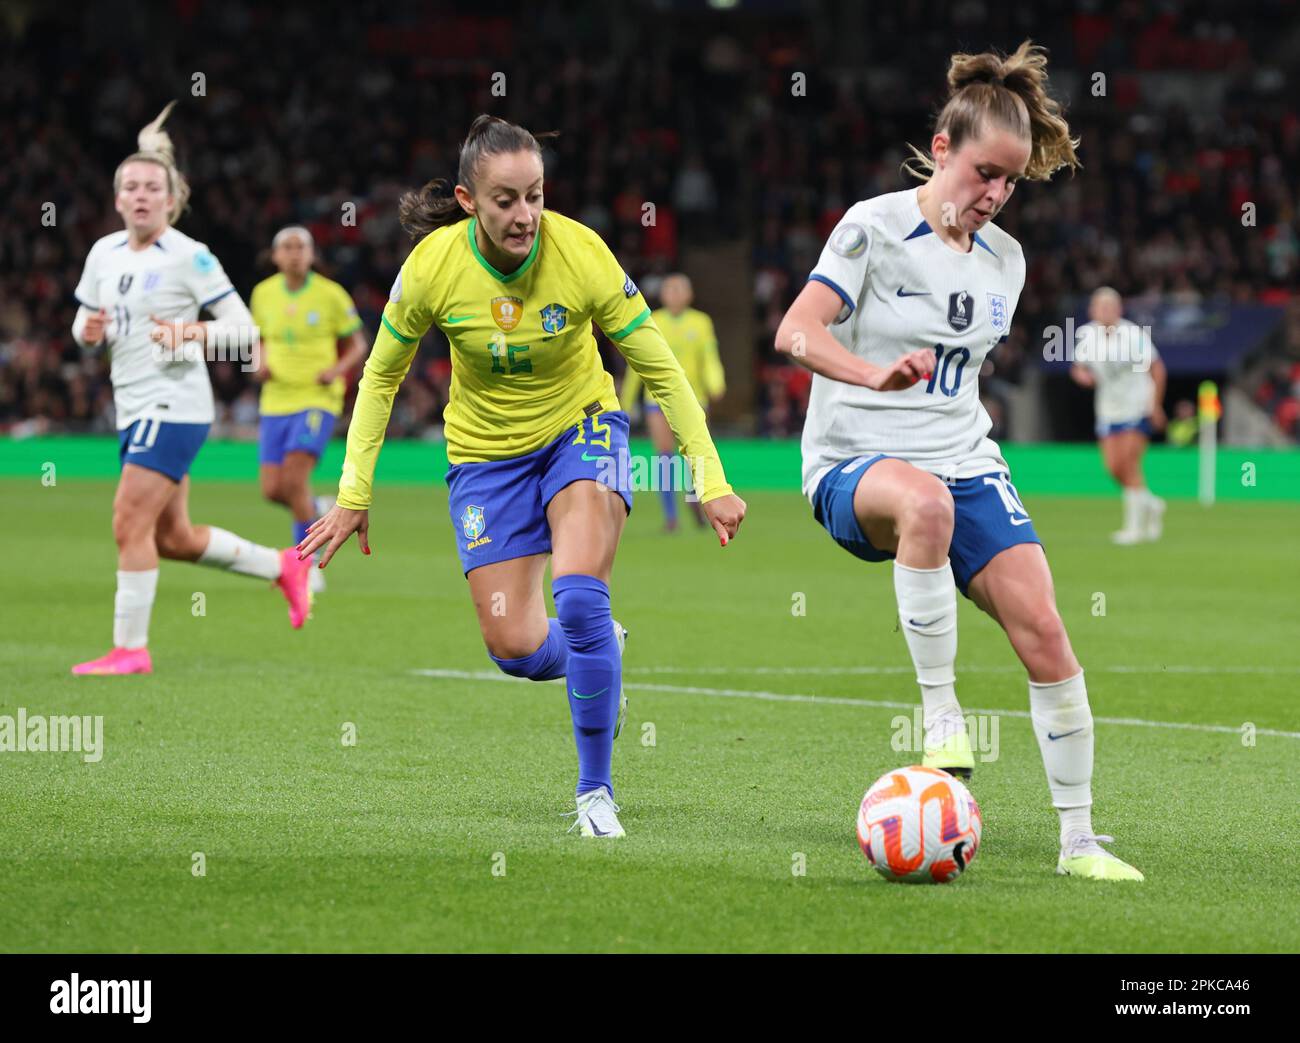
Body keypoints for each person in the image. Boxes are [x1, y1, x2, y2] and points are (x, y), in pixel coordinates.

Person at [299, 116, 746, 837]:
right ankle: (605, 648)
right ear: (468, 199)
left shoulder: (582, 254)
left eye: (534, 195)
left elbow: (660, 365)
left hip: (583, 427)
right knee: (513, 648)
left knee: (577, 597)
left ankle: (594, 792)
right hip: (483, 455)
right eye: (505, 199)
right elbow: (380, 377)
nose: (525, 215)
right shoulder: (431, 268)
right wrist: (354, 493)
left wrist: (708, 475)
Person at [774, 43, 1143, 880]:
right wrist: (872, 372)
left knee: (1046, 630)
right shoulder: (872, 227)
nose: (995, 195)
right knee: (926, 505)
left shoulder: (1006, 262)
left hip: (964, 457)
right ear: (942, 149)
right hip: (853, 461)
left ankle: (1079, 840)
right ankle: (943, 716)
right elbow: (793, 330)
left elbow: (958, 379)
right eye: (984, 173)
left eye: (1010, 182)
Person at [70, 103, 312, 676]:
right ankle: (283, 566)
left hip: (174, 405)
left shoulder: (190, 257)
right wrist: (88, 333)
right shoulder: (102, 253)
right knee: (173, 536)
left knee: (128, 520)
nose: (141, 195)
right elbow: (81, 331)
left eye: (152, 187)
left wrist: (190, 333)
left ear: (170, 199)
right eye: (130, 187)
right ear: (117, 197)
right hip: (133, 407)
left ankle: (130, 648)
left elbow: (244, 335)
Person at [252, 226, 369, 587]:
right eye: (286, 247)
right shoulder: (262, 294)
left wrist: (335, 370)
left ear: (312, 254)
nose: (294, 253)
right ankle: (317, 509)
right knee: (272, 489)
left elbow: (358, 344)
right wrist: (259, 362)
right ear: (275, 257)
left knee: (293, 478)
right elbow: (259, 339)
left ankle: (305, 563)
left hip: (317, 399)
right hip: (275, 398)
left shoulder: (330, 294)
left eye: (301, 247)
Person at [619, 273, 726, 530]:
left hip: (693, 398)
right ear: (663, 295)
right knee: (664, 456)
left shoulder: (701, 322)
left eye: (679, 290)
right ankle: (671, 517)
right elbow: (637, 363)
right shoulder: (651, 320)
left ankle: (697, 500)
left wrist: (716, 382)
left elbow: (709, 356)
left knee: (695, 455)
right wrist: (626, 402)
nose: (675, 295)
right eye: (670, 290)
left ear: (689, 295)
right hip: (656, 398)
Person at [1070, 287, 1167, 543]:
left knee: (1129, 464)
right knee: (1113, 468)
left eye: (1109, 306)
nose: (1104, 311)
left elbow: (1157, 369)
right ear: (1092, 310)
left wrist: (1155, 405)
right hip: (1108, 409)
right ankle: (1152, 504)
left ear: (1119, 309)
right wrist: (1083, 376)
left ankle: (1134, 528)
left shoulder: (1132, 334)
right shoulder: (1087, 335)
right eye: (1100, 306)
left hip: (1137, 405)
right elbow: (1078, 367)